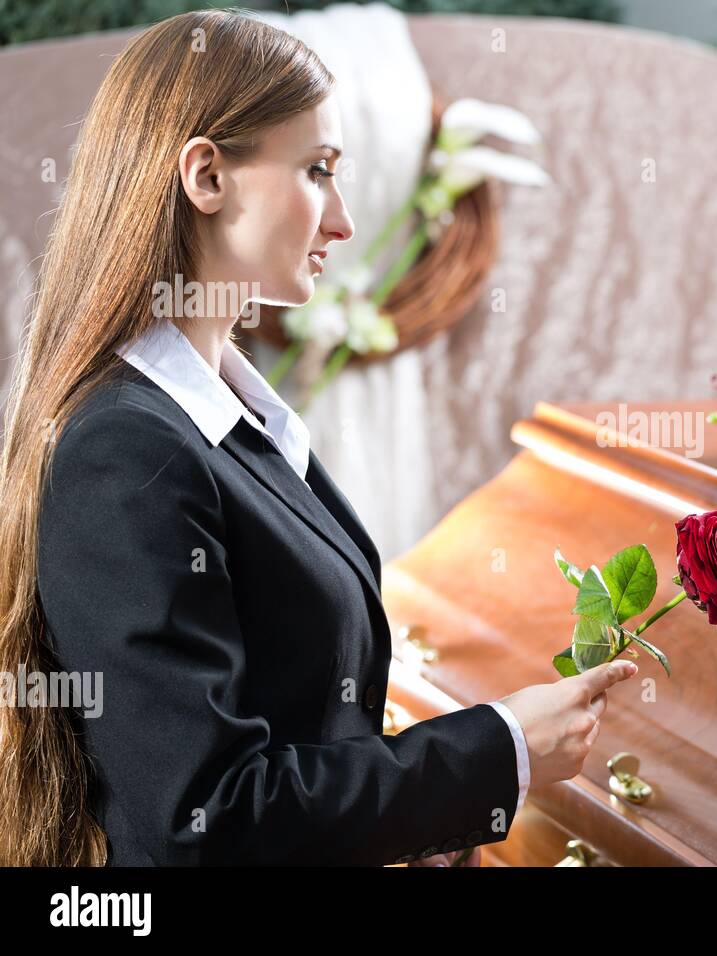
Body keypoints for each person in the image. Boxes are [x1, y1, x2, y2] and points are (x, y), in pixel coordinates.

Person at [0, 8, 637, 866]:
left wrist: (426, 818)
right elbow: (206, 823)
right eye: (317, 171)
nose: (342, 220)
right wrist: (501, 750)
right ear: (206, 176)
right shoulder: (129, 454)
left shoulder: (232, 423)